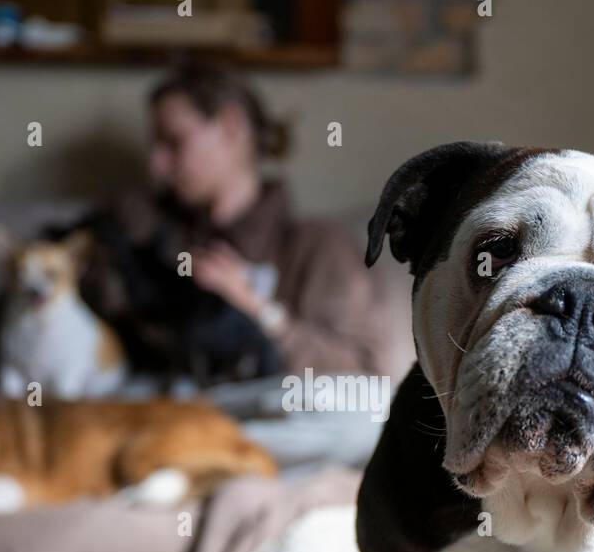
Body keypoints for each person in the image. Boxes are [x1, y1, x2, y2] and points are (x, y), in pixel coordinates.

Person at [100, 62, 389, 376]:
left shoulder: (317, 247)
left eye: (174, 142)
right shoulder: (148, 229)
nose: (156, 166)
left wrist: (259, 311)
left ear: (231, 126)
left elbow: (364, 374)